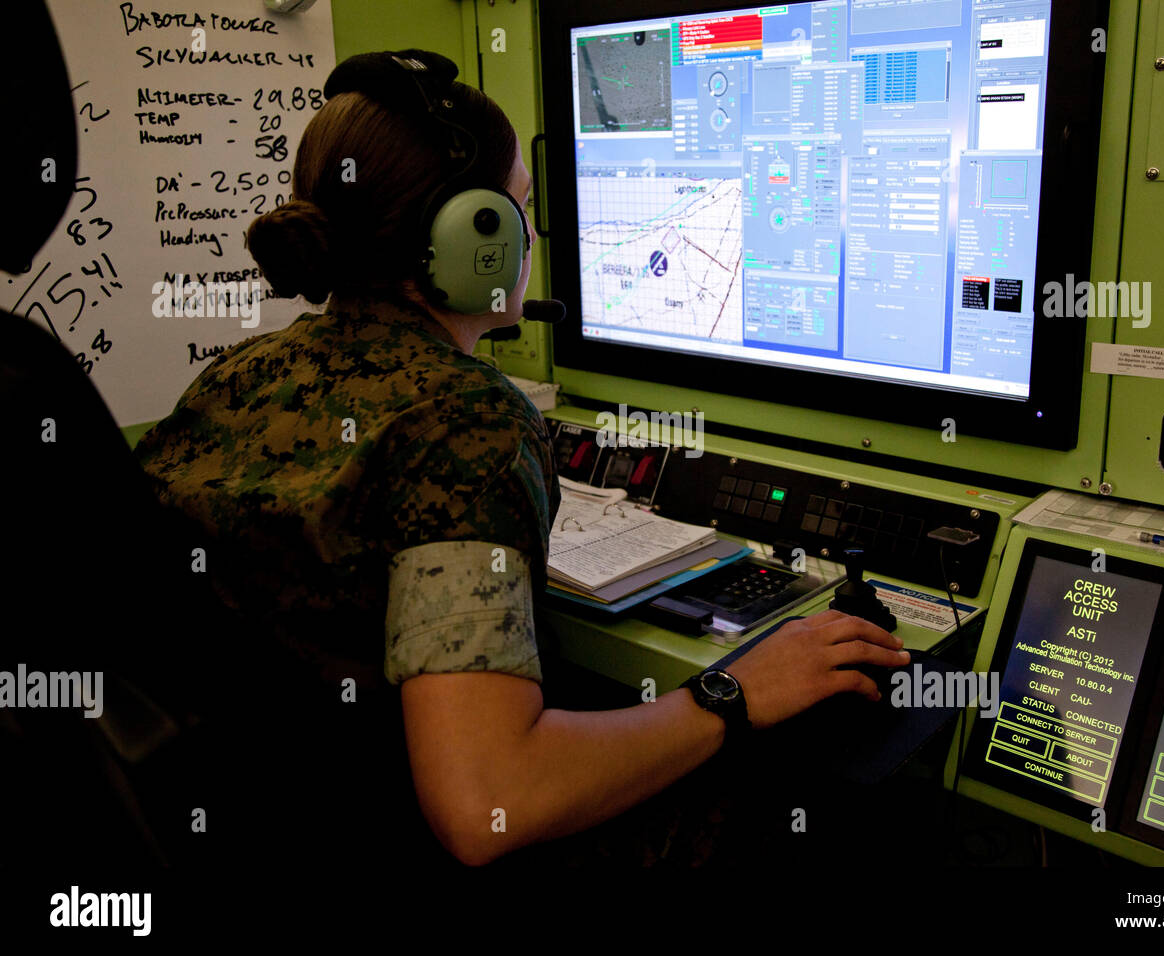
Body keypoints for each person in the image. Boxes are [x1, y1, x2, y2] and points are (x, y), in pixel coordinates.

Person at [134, 49, 910, 867]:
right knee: (815, 777)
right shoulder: (465, 422)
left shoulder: (235, 376)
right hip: (404, 830)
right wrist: (733, 691)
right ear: (476, 235)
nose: (531, 235)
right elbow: (489, 804)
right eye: (520, 208)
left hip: (266, 819)